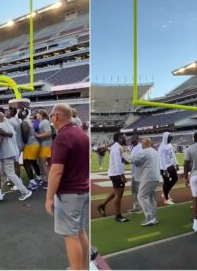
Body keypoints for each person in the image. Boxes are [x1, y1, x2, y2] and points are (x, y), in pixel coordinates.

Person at [45, 103, 89, 270]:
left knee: (70, 236)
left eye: (51, 116)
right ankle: (83, 267)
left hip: (69, 193)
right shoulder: (81, 134)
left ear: (56, 116)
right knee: (79, 232)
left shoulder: (63, 137)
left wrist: (49, 198)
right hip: (81, 189)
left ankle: (77, 269)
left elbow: (56, 171)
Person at [122, 138, 159, 225]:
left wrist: (123, 153)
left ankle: (149, 217)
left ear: (145, 144)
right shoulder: (154, 151)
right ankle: (153, 217)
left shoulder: (145, 152)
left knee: (141, 196)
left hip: (148, 177)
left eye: (142, 143)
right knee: (151, 197)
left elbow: (132, 160)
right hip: (155, 177)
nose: (141, 145)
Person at [0, 112, 32, 201]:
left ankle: (25, 191)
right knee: (3, 174)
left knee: (10, 174)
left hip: (6, 153)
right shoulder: (7, 123)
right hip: (11, 152)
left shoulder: (0, 127)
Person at [97, 133, 129, 222]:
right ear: (119, 138)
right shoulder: (117, 148)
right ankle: (118, 215)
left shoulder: (117, 146)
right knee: (119, 195)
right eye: (124, 137)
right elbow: (118, 163)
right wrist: (122, 176)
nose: (125, 139)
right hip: (116, 174)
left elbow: (121, 160)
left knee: (116, 192)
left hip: (115, 173)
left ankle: (102, 205)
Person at [18, 108, 41, 191]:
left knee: (26, 163)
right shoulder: (28, 121)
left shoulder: (24, 122)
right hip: (34, 143)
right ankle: (39, 177)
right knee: (34, 162)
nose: (18, 113)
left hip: (30, 144)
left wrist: (23, 144)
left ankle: (33, 183)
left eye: (20, 112)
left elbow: (25, 134)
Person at [158, 132, 179, 205]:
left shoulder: (169, 144)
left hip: (170, 165)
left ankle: (165, 193)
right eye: (169, 138)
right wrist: (165, 170)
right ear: (165, 138)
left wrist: (176, 163)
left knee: (175, 178)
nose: (170, 139)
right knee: (166, 182)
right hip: (164, 167)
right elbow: (161, 159)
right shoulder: (162, 147)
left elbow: (172, 154)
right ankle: (166, 199)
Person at [35, 109, 53, 190]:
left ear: (41, 114)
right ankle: (47, 180)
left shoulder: (44, 122)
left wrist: (38, 135)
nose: (36, 115)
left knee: (43, 164)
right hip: (45, 144)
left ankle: (48, 182)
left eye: (37, 113)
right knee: (44, 164)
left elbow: (49, 133)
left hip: (46, 145)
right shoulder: (42, 122)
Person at [6, 107, 24, 180]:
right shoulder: (18, 120)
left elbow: (9, 134)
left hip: (14, 145)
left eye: (7, 111)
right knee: (15, 164)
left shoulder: (9, 121)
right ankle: (17, 180)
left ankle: (18, 181)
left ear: (11, 112)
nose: (5, 112)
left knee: (14, 164)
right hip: (19, 144)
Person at [127, 135, 142, 213]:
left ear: (137, 139)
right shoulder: (135, 147)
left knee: (135, 191)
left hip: (138, 173)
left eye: (133, 139)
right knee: (136, 191)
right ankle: (137, 207)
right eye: (131, 138)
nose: (131, 140)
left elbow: (137, 160)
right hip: (136, 173)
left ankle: (137, 208)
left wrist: (127, 159)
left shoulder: (139, 148)